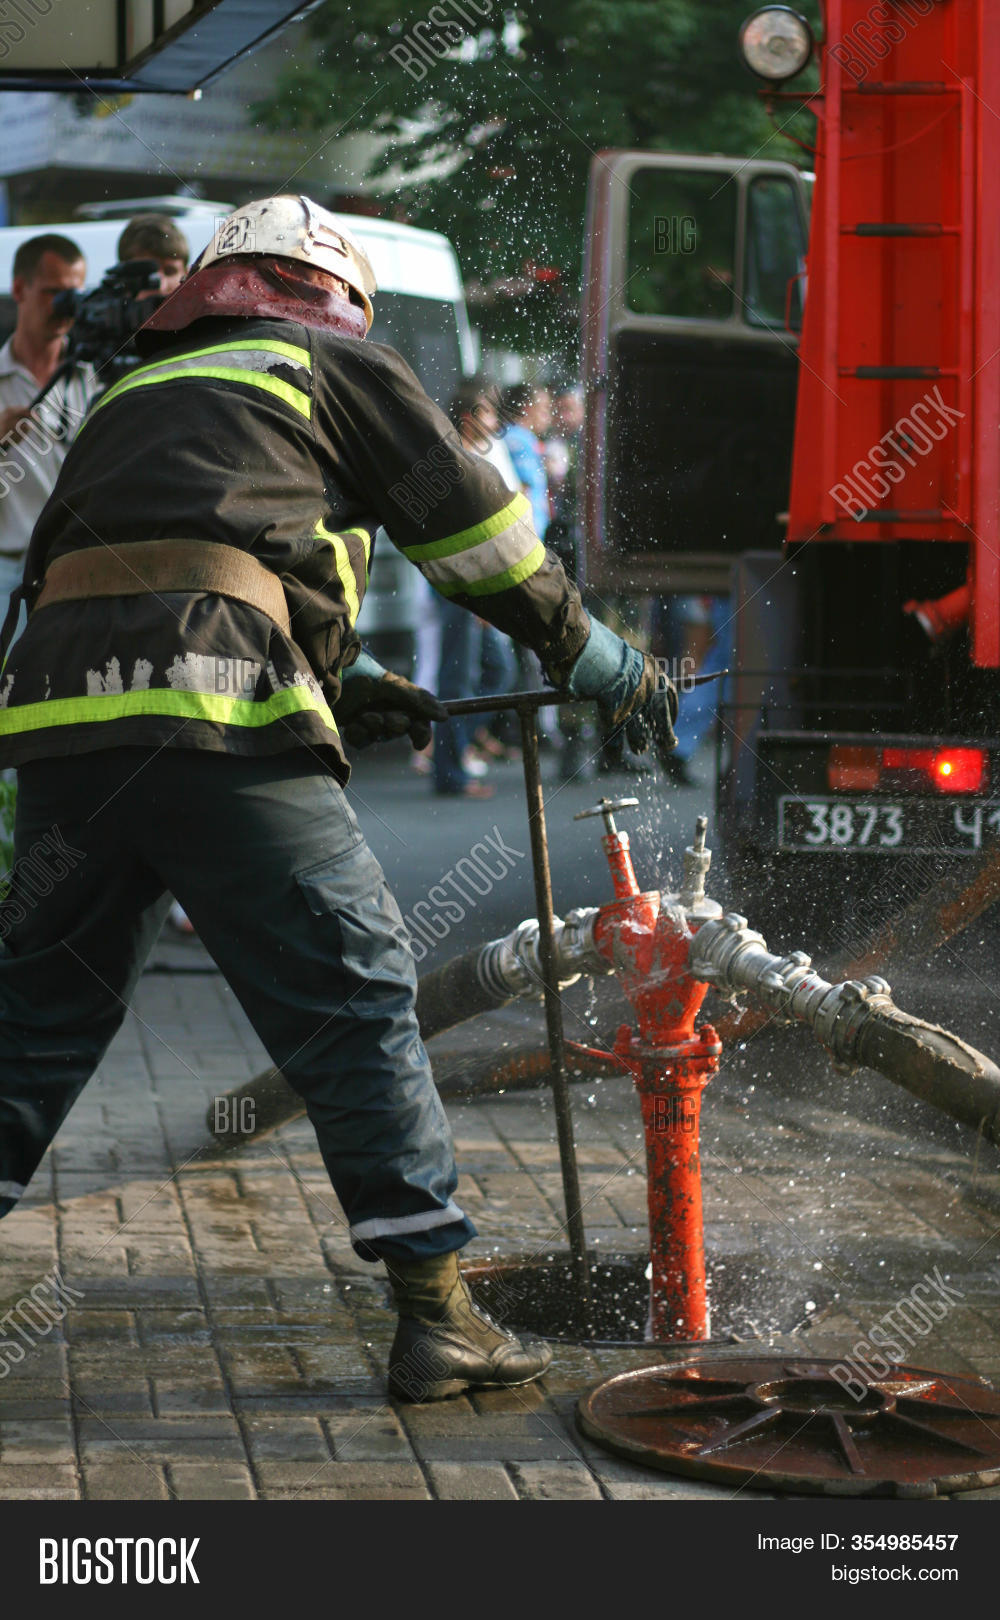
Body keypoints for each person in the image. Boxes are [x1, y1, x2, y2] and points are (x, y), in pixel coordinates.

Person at [0, 195, 678, 1404]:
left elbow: (161, 553)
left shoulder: (137, 395)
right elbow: (474, 530)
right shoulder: (320, 356)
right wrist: (590, 655)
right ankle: (437, 1311)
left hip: (63, 721)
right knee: (358, 999)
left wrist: (346, 674)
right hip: (214, 716)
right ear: (324, 292)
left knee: (39, 1020)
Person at [0, 235, 97, 641]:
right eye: (52, 293)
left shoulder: (92, 379)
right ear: (19, 289)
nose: (64, 309)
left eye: (73, 295)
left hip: (76, 567)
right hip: (8, 573)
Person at [431, 380, 519, 798]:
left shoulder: (477, 454)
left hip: (477, 583)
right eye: (487, 413)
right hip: (462, 583)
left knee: (495, 671)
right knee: (459, 680)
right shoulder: (453, 458)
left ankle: (451, 753)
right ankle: (450, 771)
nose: (495, 421)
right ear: (468, 417)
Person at [116, 213, 190, 297]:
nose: (162, 287)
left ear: (187, 275)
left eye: (169, 271)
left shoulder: (203, 308)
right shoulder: (104, 306)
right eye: (147, 275)